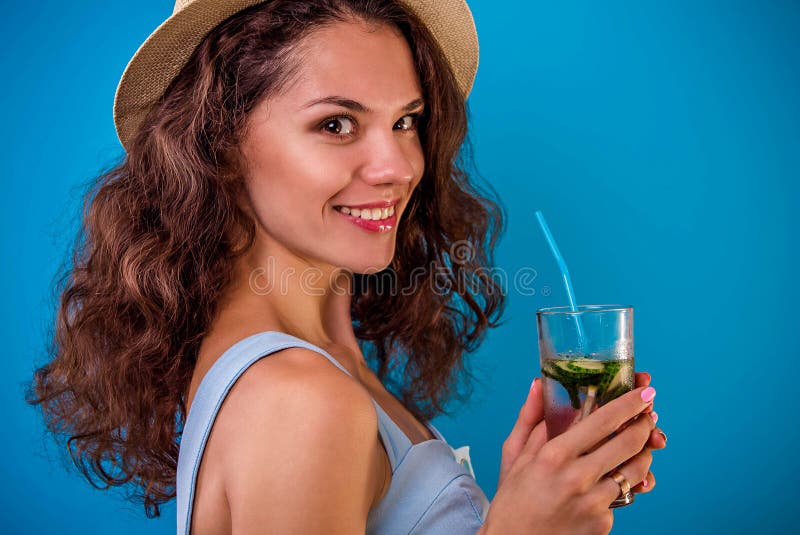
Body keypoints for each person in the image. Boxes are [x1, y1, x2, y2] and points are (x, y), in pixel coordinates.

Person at [28, 0, 666, 533]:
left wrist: (547, 500)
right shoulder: (301, 402)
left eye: (406, 121)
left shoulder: (316, 367)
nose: (398, 167)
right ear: (217, 148)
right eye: (336, 124)